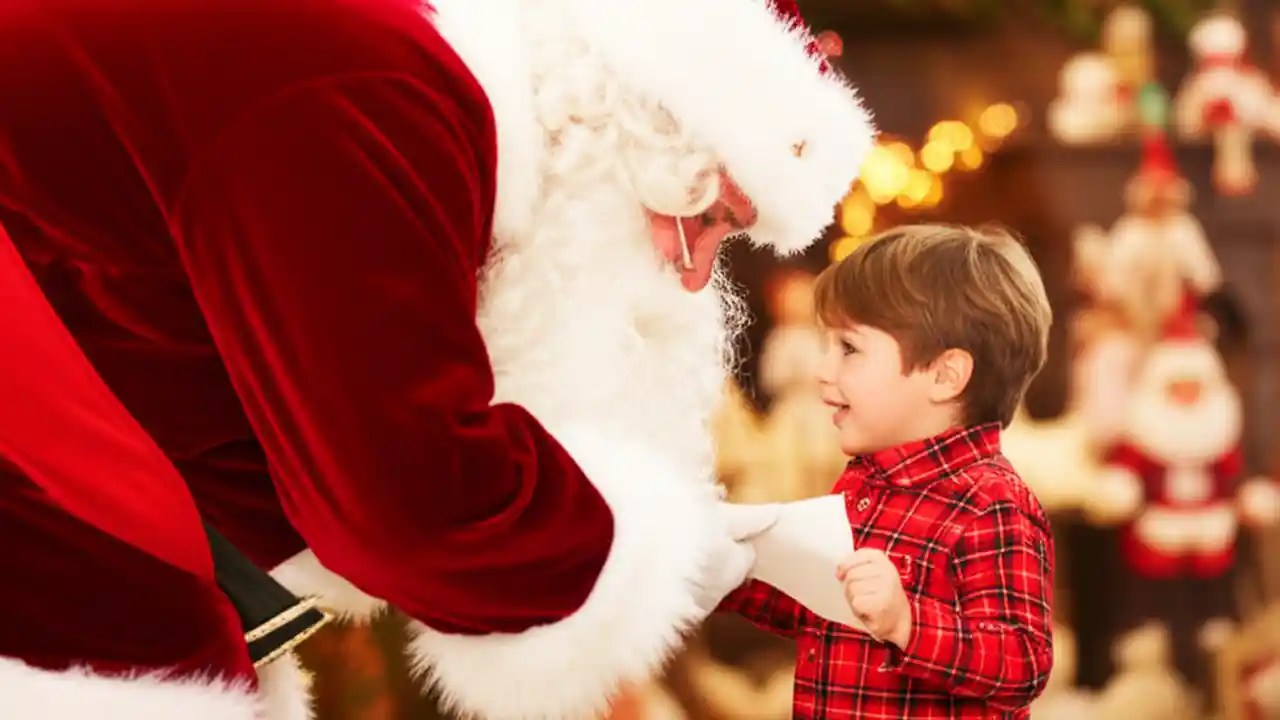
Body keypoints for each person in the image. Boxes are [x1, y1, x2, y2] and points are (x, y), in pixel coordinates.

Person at [0, 0, 874, 716]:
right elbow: (406, 504)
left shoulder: (410, 100)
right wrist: (681, 548)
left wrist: (702, 536)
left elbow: (205, 396)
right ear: (625, 138)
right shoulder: (374, 99)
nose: (690, 277)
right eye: (707, 221)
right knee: (132, 649)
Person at [721, 224, 1057, 719]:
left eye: (849, 349)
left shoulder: (991, 503)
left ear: (944, 376)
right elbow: (822, 611)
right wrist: (737, 571)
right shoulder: (862, 483)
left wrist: (908, 623)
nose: (822, 370)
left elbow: (1022, 664)